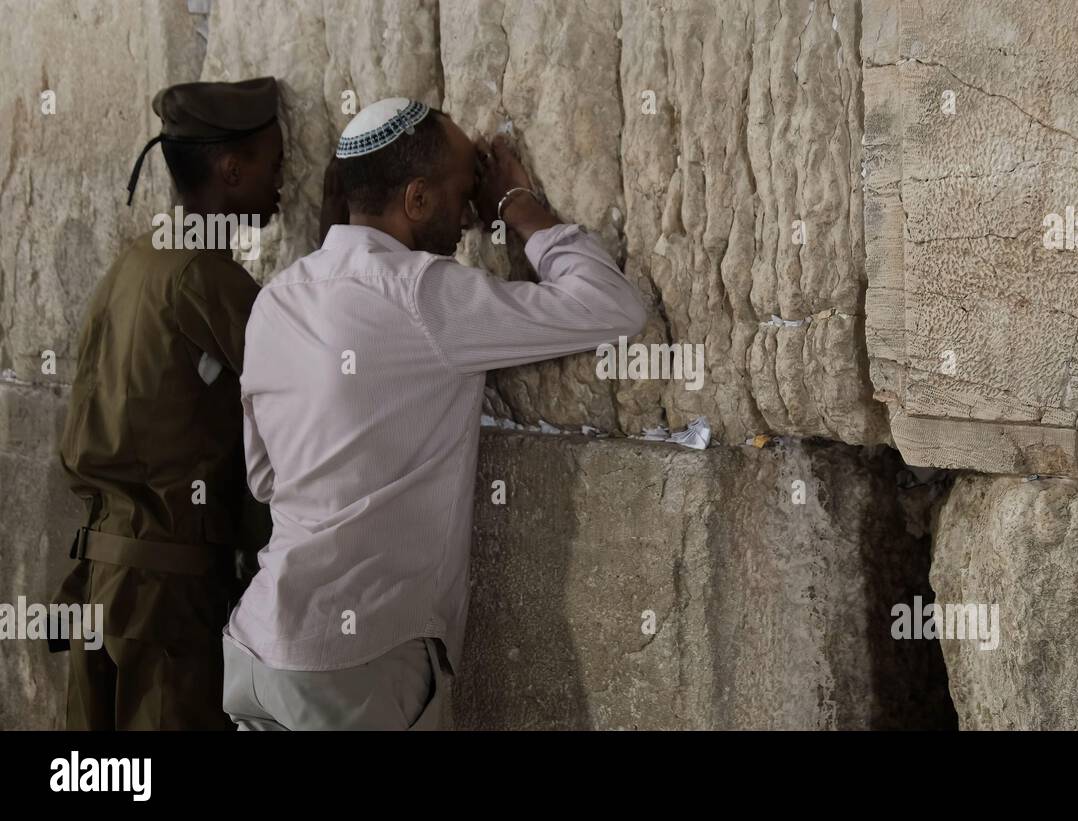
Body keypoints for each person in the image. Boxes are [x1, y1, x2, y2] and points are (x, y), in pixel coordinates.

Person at [221, 98, 646, 730]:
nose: (472, 207)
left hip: (259, 652)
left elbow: (266, 479)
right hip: (353, 666)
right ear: (417, 200)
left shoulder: (277, 298)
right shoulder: (424, 293)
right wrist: (518, 205)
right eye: (466, 185)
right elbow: (612, 307)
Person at [53, 77, 283, 730]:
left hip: (104, 579)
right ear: (231, 170)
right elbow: (305, 373)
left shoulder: (133, 264)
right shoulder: (204, 278)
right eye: (274, 162)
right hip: (165, 599)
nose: (283, 179)